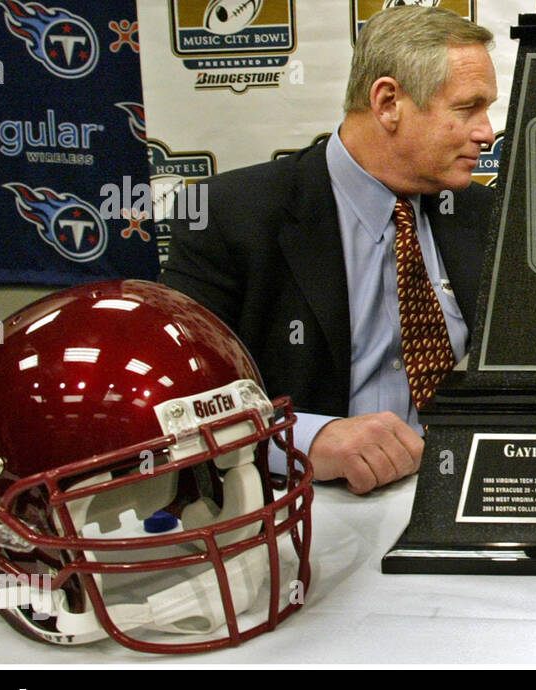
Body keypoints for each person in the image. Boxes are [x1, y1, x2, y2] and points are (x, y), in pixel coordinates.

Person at [161, 6, 497, 494]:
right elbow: (182, 404)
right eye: (467, 109)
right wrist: (306, 439)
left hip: (464, 491)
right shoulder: (228, 216)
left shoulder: (488, 214)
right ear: (387, 103)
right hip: (307, 504)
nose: (487, 132)